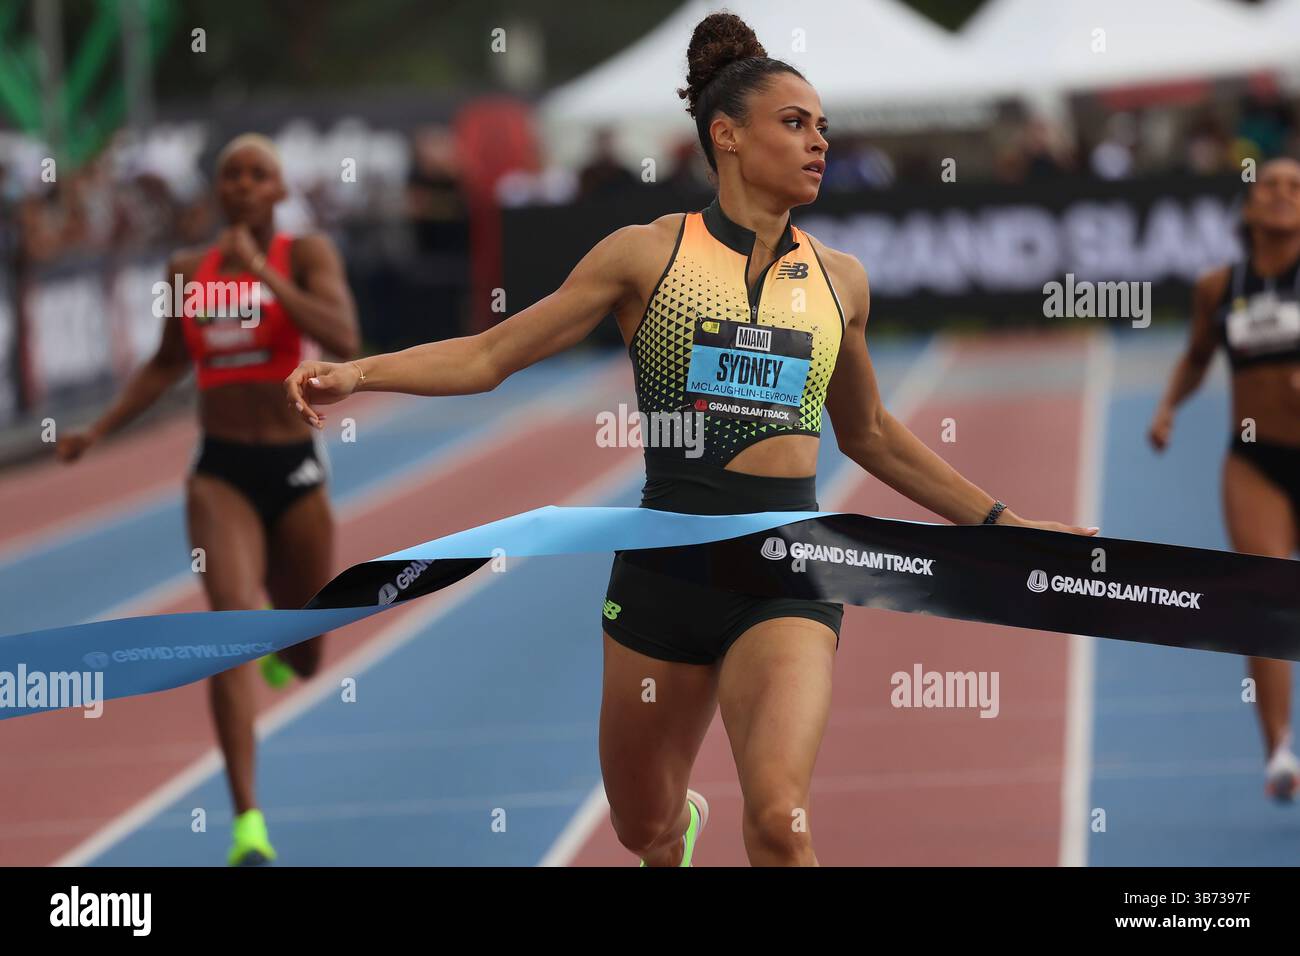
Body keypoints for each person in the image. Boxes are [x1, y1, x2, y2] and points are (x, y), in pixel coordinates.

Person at [284, 13, 1095, 866]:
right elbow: (490, 355)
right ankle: (675, 834)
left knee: (782, 823)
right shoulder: (644, 256)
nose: (819, 141)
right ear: (728, 136)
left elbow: (870, 435)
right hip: (664, 574)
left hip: (787, 569)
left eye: (823, 125)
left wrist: (1004, 528)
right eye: (796, 123)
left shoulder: (839, 280)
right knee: (644, 827)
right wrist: (357, 373)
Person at [57, 133, 361, 864]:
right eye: (232, 175)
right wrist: (96, 430)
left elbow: (343, 335)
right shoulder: (185, 270)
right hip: (219, 472)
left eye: (260, 174)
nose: (245, 185)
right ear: (217, 191)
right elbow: (165, 365)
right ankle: (247, 825)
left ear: (279, 192)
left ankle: (283, 649)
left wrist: (263, 275)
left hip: (296, 471)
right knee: (228, 633)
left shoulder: (307, 254)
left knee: (310, 655)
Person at [1149, 157, 1300, 801]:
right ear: (1248, 206)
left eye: (1296, 187)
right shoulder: (1219, 286)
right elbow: (1195, 358)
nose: (1282, 194)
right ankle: (1280, 751)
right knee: (1265, 600)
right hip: (1255, 461)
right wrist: (1167, 406)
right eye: (1270, 185)